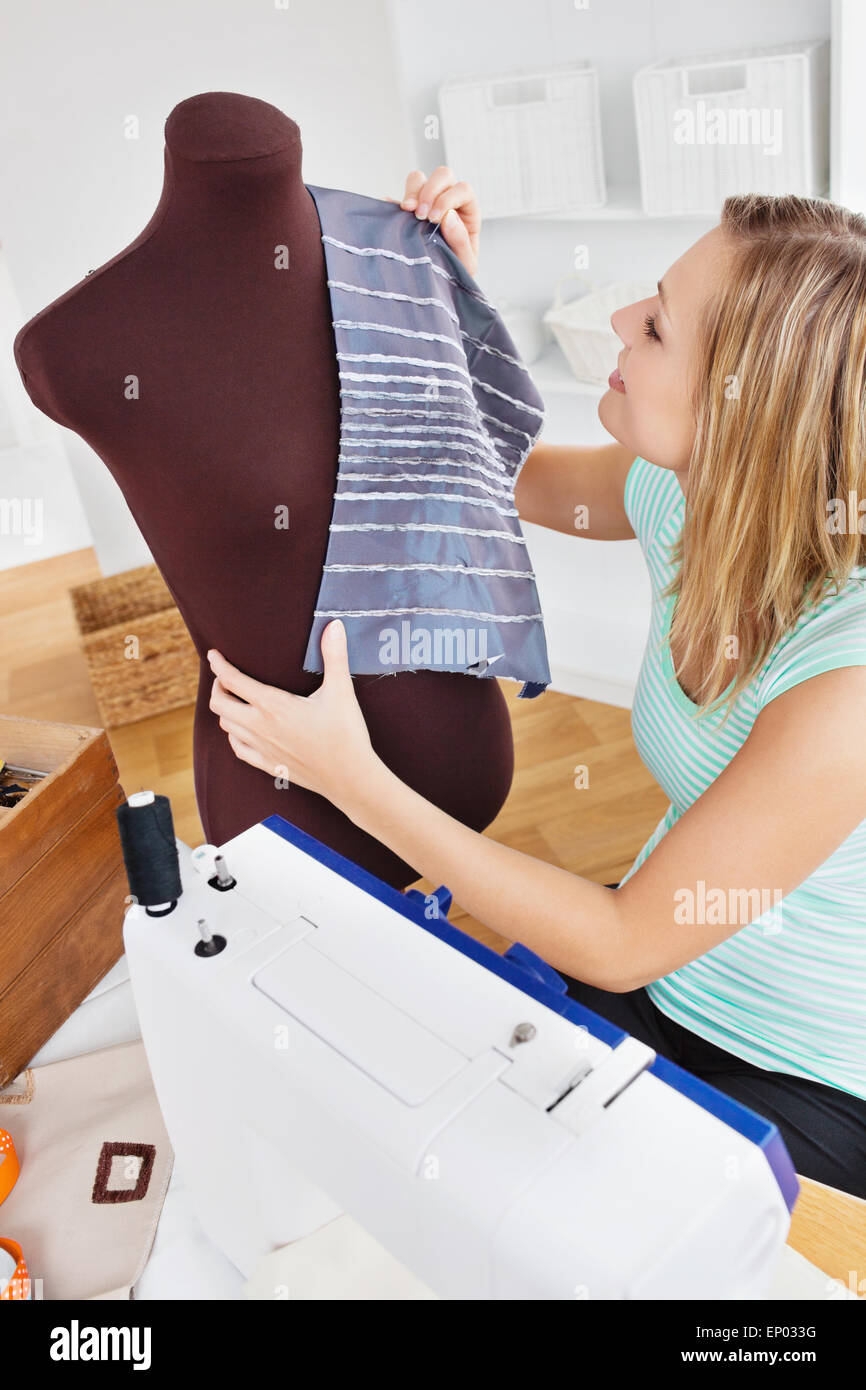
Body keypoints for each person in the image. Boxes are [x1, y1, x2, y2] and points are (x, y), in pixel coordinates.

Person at [206, 168, 866, 1196]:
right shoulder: (680, 491)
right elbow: (510, 472)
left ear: (748, 409)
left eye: (654, 327)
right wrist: (451, 298)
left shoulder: (846, 691)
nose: (617, 316)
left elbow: (619, 940)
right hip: (665, 965)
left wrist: (347, 772)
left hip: (805, 1070)